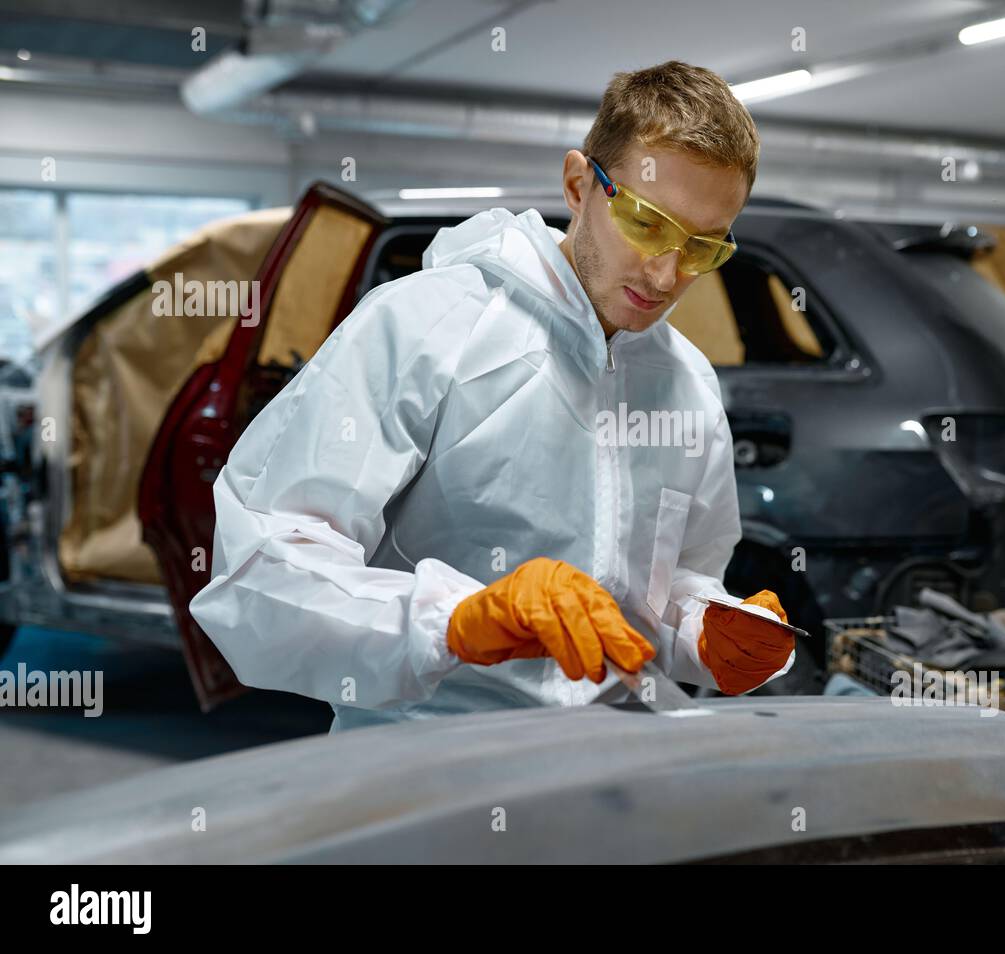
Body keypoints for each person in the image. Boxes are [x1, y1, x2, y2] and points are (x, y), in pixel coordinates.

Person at [189, 60, 794, 732]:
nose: (666, 273)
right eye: (648, 224)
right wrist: (456, 619)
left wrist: (707, 627)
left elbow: (674, 580)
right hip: (424, 764)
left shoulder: (688, 385)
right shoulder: (424, 326)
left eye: (702, 247)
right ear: (578, 185)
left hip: (605, 773)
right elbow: (264, 569)